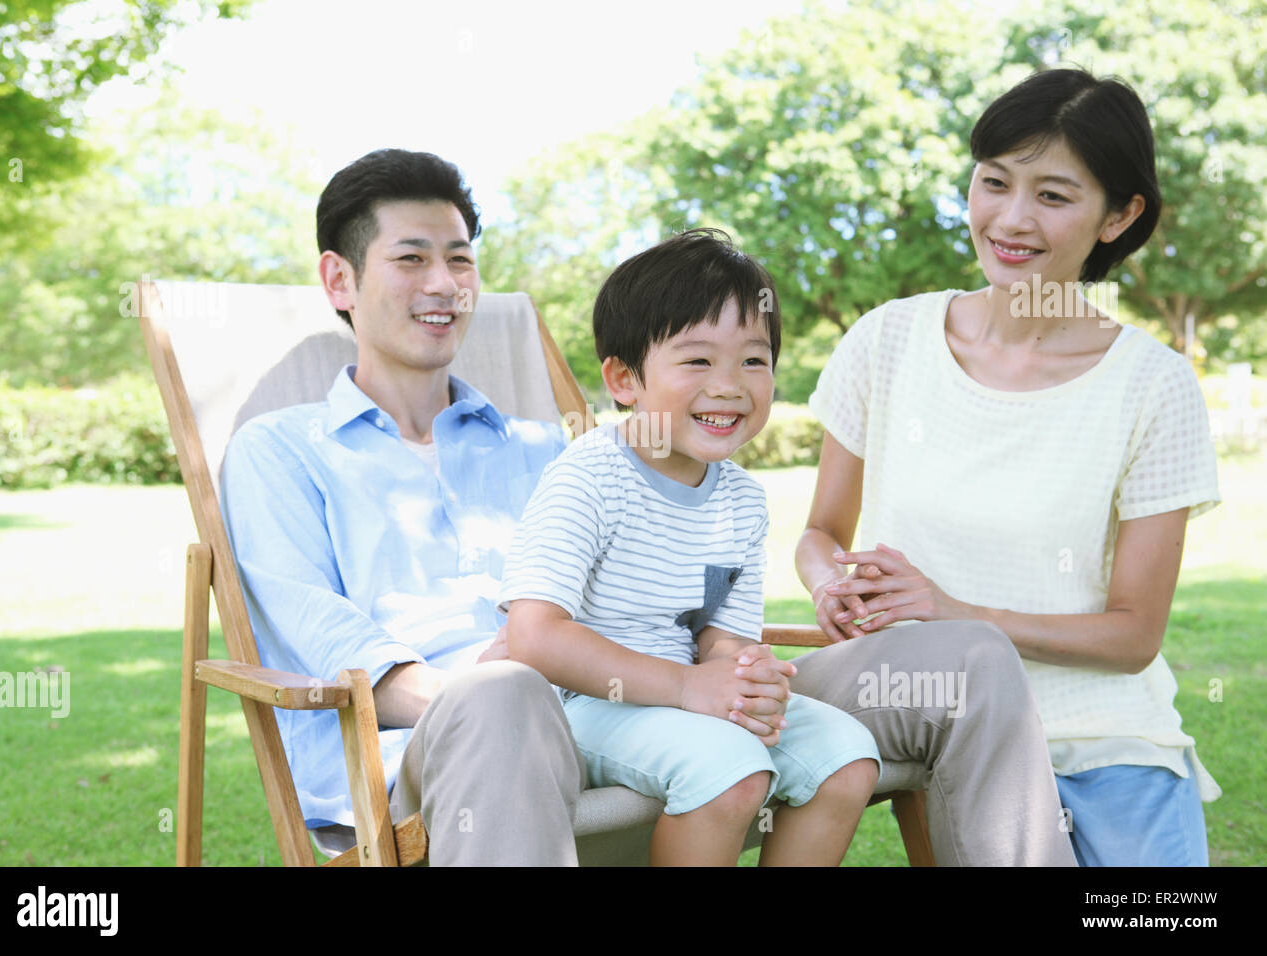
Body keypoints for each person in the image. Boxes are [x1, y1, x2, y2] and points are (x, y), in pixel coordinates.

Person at [222, 146, 1076, 867]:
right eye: (411, 259)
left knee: (963, 660)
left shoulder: (548, 446)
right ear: (340, 278)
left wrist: (729, 678)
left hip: (645, 697)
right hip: (459, 733)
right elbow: (323, 637)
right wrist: (511, 678)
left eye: (460, 259)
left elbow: (672, 585)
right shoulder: (281, 450)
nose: (443, 283)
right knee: (509, 691)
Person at [798, 68, 1221, 867]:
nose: (1011, 219)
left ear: (1120, 215)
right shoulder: (889, 342)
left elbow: (1134, 635)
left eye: (1054, 196)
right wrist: (830, 584)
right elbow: (821, 531)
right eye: (994, 182)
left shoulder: (1153, 386)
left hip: (1113, 746)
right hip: (949, 730)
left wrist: (958, 609)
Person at [499, 230, 881, 865]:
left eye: (753, 361)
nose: (730, 385)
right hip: (582, 705)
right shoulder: (589, 476)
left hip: (687, 697)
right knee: (730, 771)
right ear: (624, 378)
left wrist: (746, 679)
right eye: (699, 361)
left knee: (847, 757)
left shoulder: (742, 501)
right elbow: (533, 637)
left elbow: (722, 640)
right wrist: (687, 688)